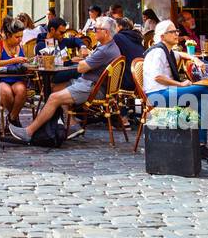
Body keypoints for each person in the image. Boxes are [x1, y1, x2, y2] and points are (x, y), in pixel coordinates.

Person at [9, 16, 123, 145]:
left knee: (53, 98)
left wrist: (83, 60)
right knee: (56, 88)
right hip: (94, 85)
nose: (93, 31)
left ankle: (28, 132)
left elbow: (81, 68)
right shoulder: (111, 47)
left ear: (106, 32)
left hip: (91, 87)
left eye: (96, 29)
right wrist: (83, 58)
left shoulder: (104, 50)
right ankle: (72, 124)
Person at [142, 20, 208, 152]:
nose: (176, 34)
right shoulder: (158, 52)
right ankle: (199, 142)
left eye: (176, 31)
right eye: (172, 32)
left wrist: (195, 59)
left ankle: (199, 143)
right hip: (157, 94)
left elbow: (180, 54)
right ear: (162, 36)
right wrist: (180, 84)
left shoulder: (167, 50)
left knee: (202, 99)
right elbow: (157, 77)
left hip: (166, 91)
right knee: (203, 90)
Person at [0, 17, 31, 131]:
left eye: (21, 36)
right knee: (6, 92)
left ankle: (12, 118)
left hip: (16, 78)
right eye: (17, 37)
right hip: (0, 79)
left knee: (21, 90)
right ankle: (14, 120)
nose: (20, 39)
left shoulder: (19, 46)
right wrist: (13, 61)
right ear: (8, 35)